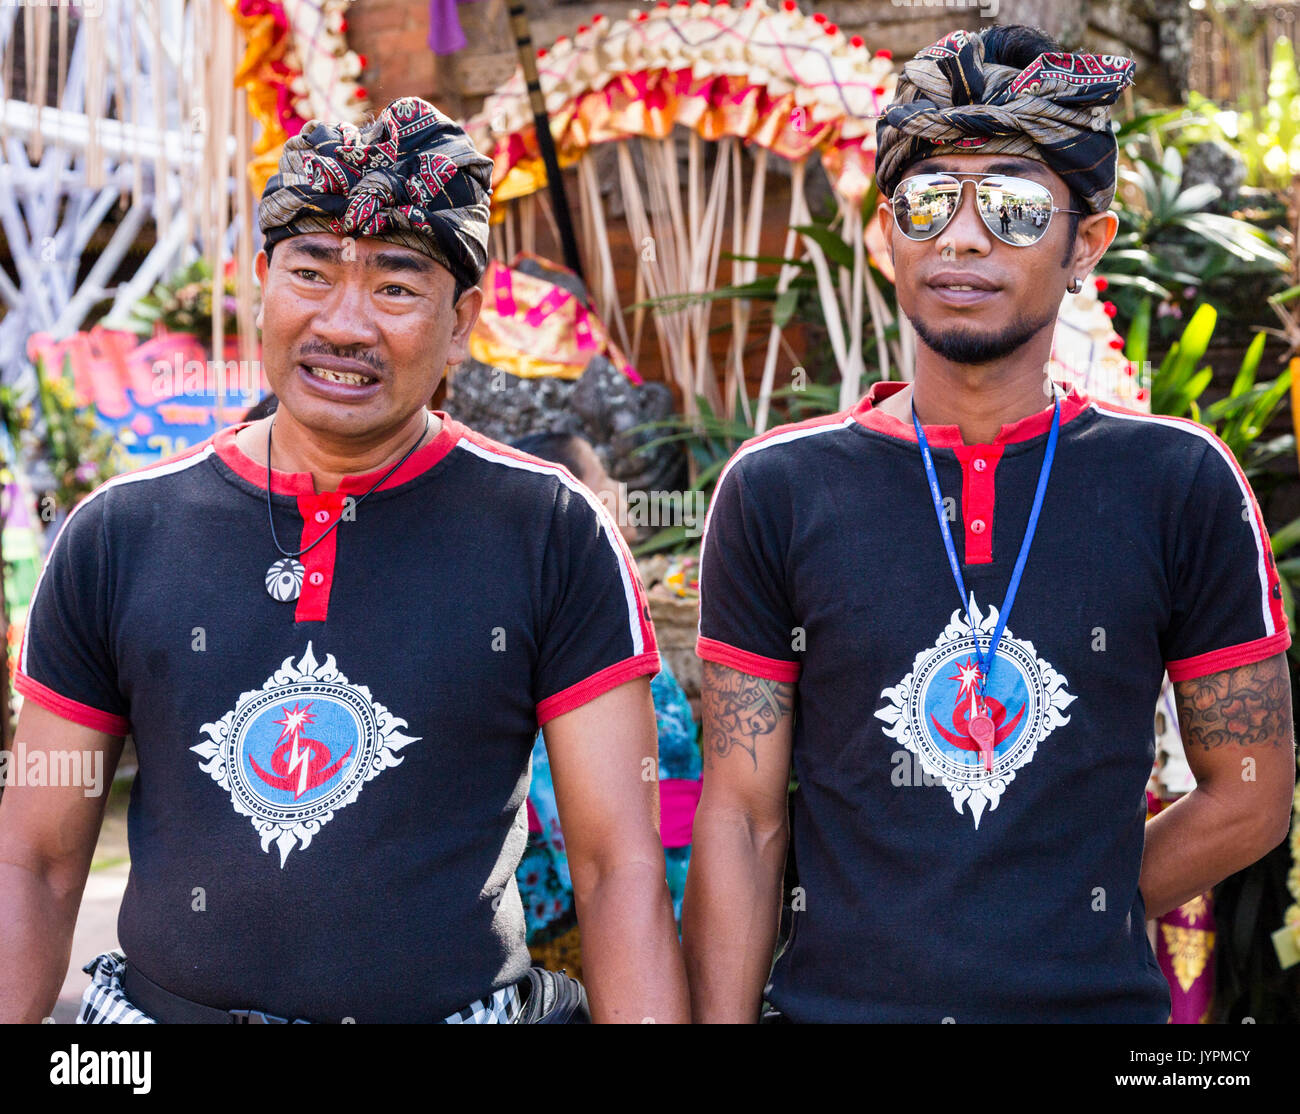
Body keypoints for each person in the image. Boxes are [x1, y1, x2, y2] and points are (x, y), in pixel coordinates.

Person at [0, 97, 688, 1025]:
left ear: (460, 325)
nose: (344, 323)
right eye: (311, 272)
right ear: (259, 283)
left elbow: (618, 867)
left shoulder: (551, 531)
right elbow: (33, 866)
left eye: (397, 287)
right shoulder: (117, 535)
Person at [683, 25, 1296, 1024]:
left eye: (1012, 208)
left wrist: (1067, 911)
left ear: (1084, 245)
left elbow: (1252, 790)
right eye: (929, 202)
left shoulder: (1178, 484)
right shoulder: (779, 489)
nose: (963, 238)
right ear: (887, 233)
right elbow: (743, 818)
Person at [508, 432, 701, 976]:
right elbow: (584, 834)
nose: (618, 488)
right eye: (601, 476)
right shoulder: (564, 638)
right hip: (596, 948)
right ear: (567, 502)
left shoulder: (603, 613)